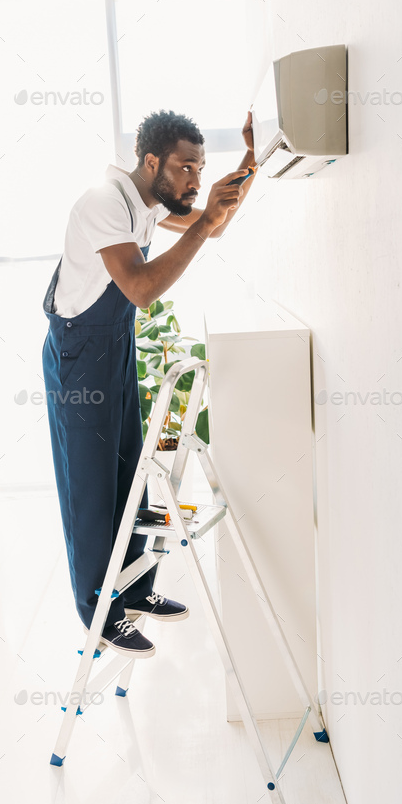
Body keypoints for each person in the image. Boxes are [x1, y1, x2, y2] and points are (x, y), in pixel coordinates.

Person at [41, 108, 257, 658]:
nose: (196, 181)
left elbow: (215, 220)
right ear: (152, 161)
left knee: (129, 471)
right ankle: (99, 616)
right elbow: (140, 289)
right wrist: (205, 223)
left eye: (202, 169)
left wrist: (253, 165)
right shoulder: (104, 203)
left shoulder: (146, 206)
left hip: (114, 344)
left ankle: (135, 592)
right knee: (91, 487)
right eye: (187, 168)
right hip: (80, 351)